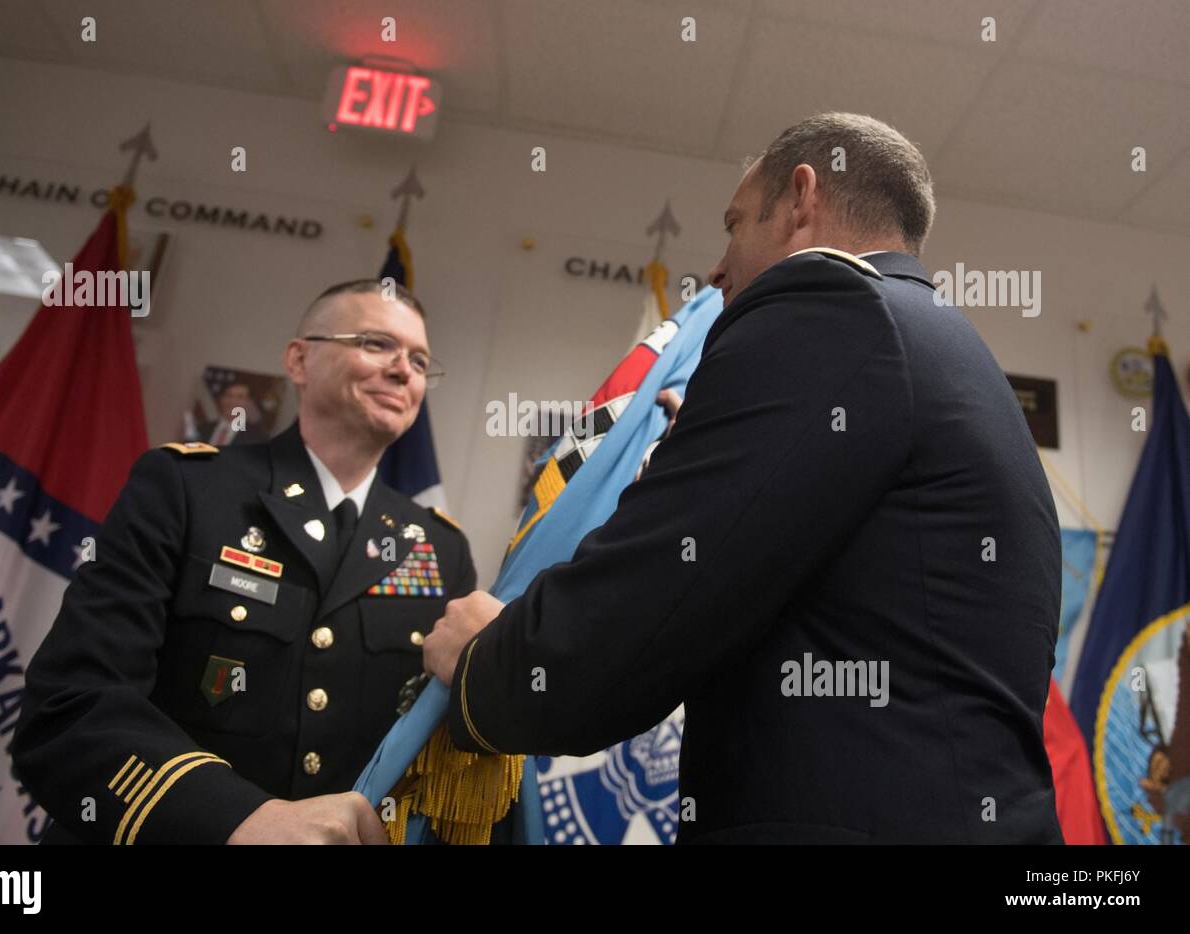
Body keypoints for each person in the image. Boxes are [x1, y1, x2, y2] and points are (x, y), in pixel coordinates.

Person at [424, 113, 1064, 844]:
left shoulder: (830, 308)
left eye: (733, 224)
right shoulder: (943, 347)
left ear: (799, 199)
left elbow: (645, 611)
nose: (718, 270)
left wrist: (487, 660)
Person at [14, 279, 472, 844]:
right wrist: (234, 818)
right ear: (299, 360)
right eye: (376, 344)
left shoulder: (439, 547)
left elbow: (435, 761)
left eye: (421, 360)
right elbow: (72, 704)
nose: (404, 370)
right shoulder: (186, 488)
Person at [192, 383, 268, 446]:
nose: (232, 401)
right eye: (228, 395)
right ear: (221, 399)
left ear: (249, 403)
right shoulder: (201, 428)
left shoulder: (258, 438)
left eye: (240, 397)